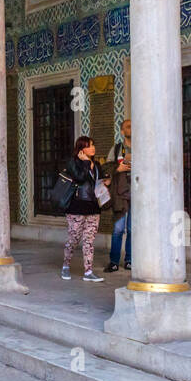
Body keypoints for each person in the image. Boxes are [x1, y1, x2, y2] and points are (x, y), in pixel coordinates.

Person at [60, 135, 104, 283]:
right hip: (76, 207)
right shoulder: (73, 163)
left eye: (93, 145)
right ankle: (66, 265)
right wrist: (85, 163)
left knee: (89, 241)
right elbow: (79, 178)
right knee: (73, 239)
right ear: (81, 149)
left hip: (93, 207)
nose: (93, 148)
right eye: (89, 145)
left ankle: (88, 271)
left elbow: (99, 183)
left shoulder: (97, 164)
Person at [106, 119, 132, 273]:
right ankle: (114, 261)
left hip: (138, 193)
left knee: (132, 229)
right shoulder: (116, 149)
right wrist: (119, 168)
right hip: (120, 194)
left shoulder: (143, 147)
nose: (132, 129)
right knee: (118, 229)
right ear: (122, 132)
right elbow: (107, 168)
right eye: (128, 127)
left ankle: (129, 260)